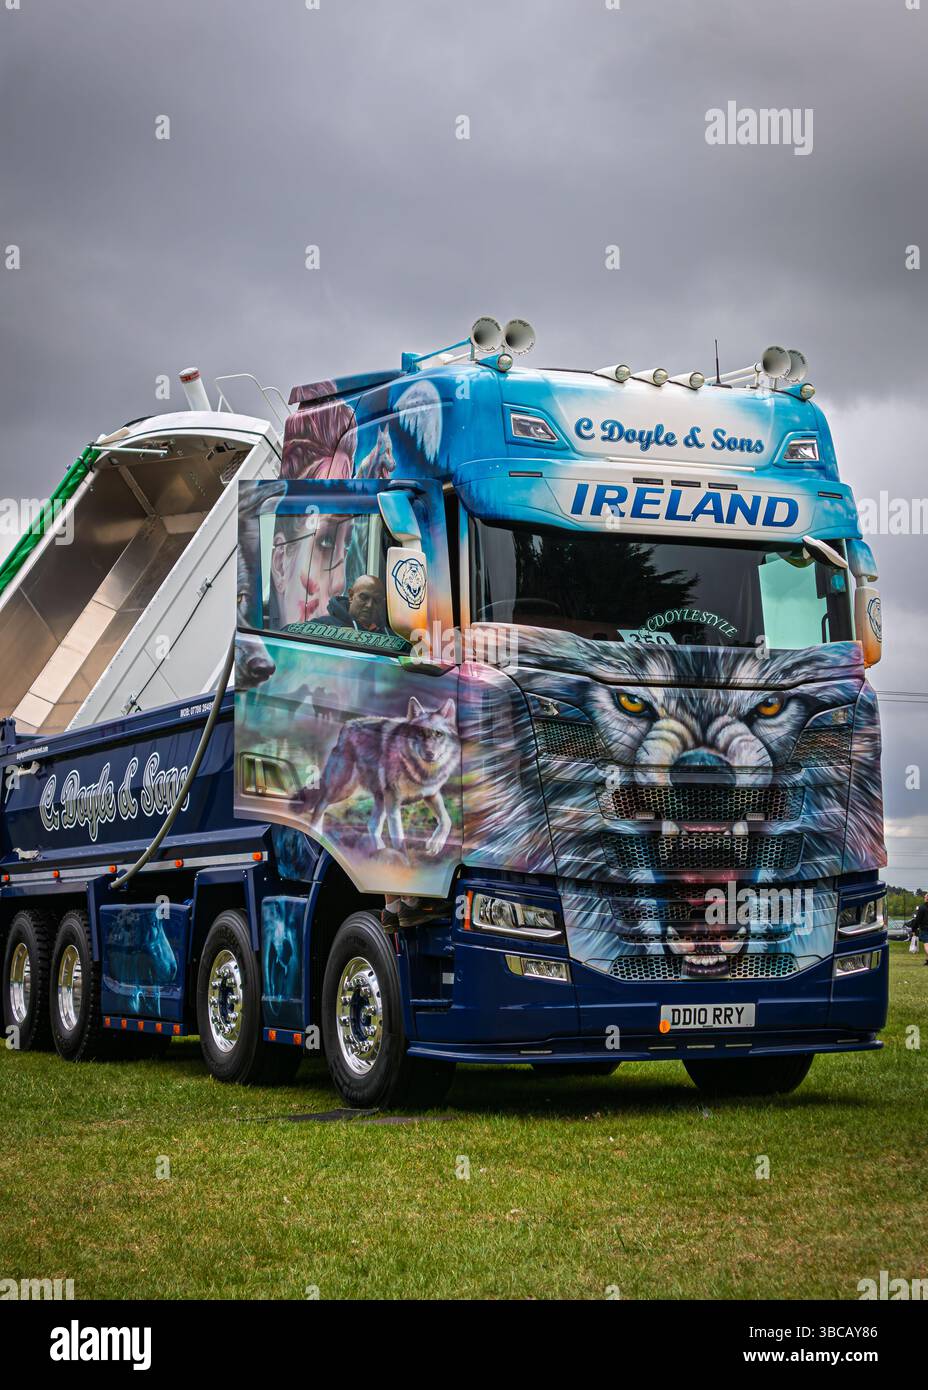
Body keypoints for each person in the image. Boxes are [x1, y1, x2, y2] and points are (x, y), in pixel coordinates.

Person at [905, 892, 928, 966]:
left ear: (926, 899)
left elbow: (917, 920)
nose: (924, 898)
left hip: (925, 929)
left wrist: (913, 929)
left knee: (926, 944)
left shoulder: (922, 908)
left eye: (925, 897)